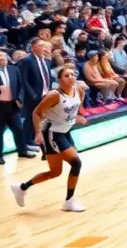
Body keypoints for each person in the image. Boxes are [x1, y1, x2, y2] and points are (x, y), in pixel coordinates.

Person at [9, 65, 87, 211]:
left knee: (55, 172)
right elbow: (36, 112)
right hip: (52, 133)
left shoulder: (79, 90)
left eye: (72, 74)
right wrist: (38, 133)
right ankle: (69, 201)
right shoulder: (54, 95)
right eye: (66, 75)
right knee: (76, 163)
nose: (71, 77)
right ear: (59, 80)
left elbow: (75, 108)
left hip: (65, 131)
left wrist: (76, 117)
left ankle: (21, 187)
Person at [0, 50, 34, 165]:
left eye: (2, 56)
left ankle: (22, 151)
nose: (0, 58)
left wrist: (19, 99)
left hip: (12, 105)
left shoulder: (14, 69)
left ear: (6, 58)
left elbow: (20, 86)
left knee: (19, 129)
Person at [18, 39, 54, 156]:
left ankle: (37, 139)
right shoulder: (26, 61)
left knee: (41, 118)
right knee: (30, 118)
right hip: (33, 96)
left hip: (46, 94)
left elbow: (48, 78)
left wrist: (49, 91)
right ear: (33, 47)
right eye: (40, 45)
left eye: (44, 46)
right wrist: (32, 94)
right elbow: (24, 80)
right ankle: (27, 141)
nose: (43, 48)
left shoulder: (47, 61)